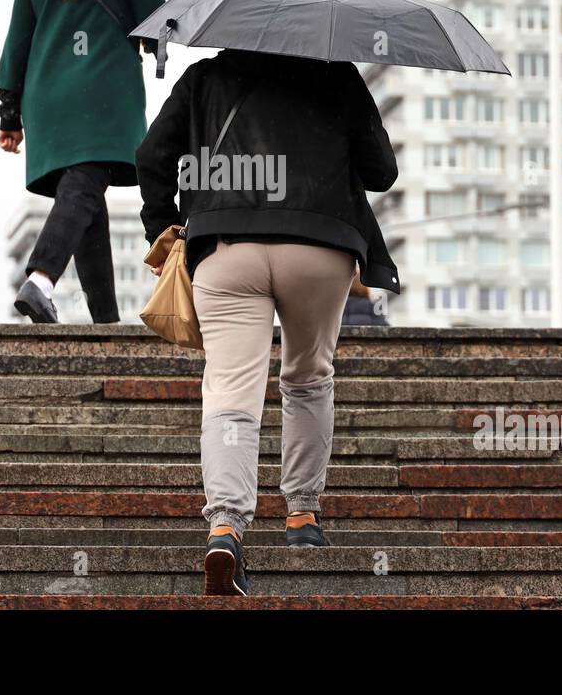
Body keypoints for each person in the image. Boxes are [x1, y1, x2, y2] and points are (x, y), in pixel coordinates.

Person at [135, 49, 399, 595]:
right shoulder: (336, 73)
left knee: (232, 389)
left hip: (227, 248)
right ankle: (302, 516)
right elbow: (382, 171)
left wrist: (162, 225)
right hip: (320, 246)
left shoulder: (205, 77)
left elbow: (150, 156)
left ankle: (226, 525)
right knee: (308, 378)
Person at [0, 0, 164, 324]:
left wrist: (9, 115)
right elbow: (157, 32)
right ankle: (41, 277)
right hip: (106, 94)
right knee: (86, 185)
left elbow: (17, 43)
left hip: (48, 100)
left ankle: (105, 320)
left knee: (85, 193)